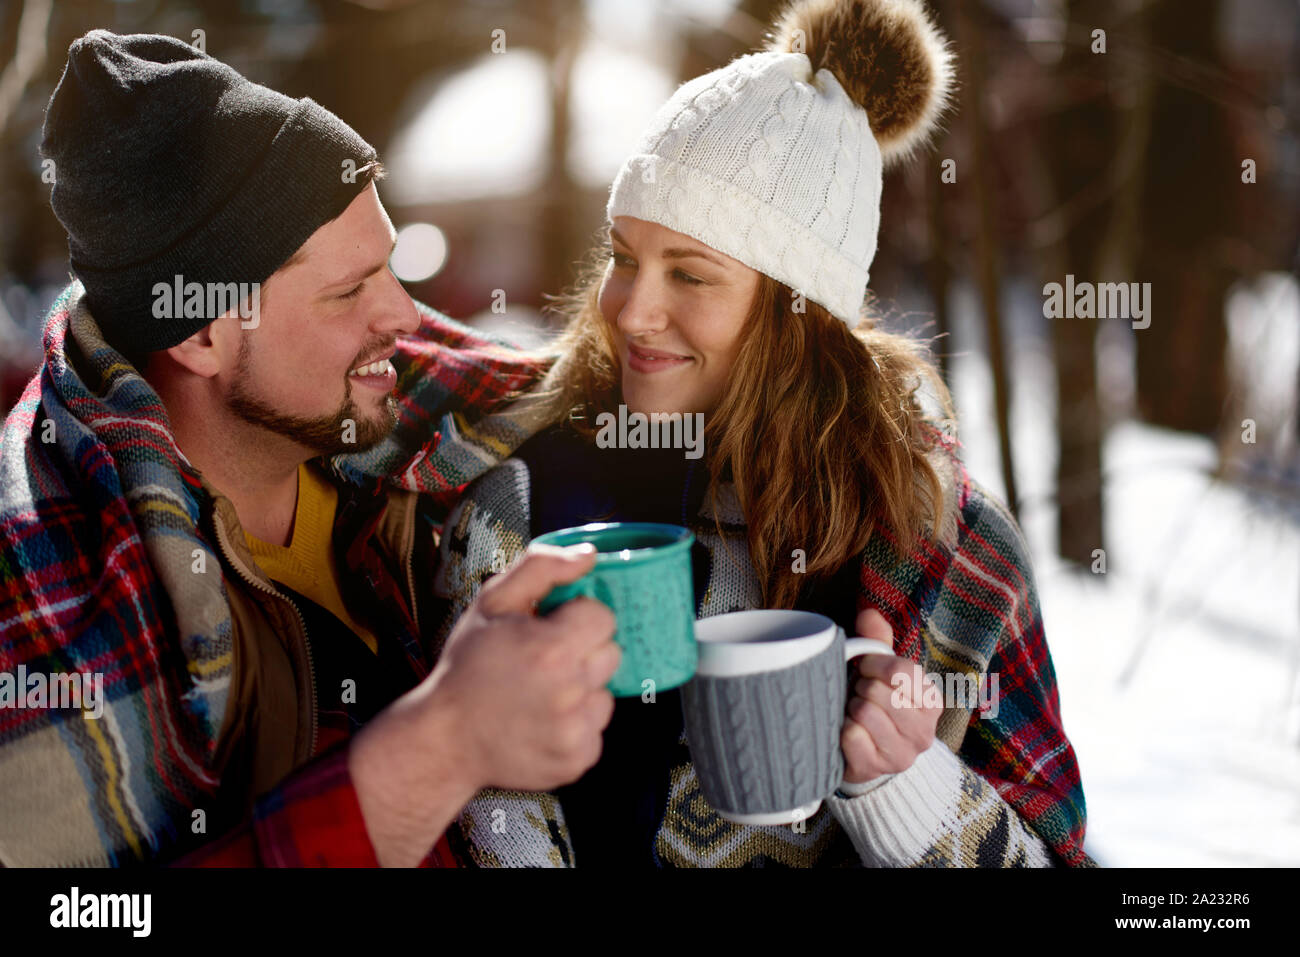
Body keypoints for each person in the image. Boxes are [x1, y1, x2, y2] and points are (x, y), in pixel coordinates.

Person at [434, 0, 1095, 867]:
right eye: (625, 256)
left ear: (798, 315)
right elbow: (480, 800)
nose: (634, 308)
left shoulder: (952, 547)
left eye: (691, 273)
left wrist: (907, 784)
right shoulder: (530, 499)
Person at [0, 30, 622, 867]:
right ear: (203, 335)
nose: (407, 318)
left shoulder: (421, 430)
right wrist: (440, 745)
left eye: (388, 268)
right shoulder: (49, 595)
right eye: (347, 291)